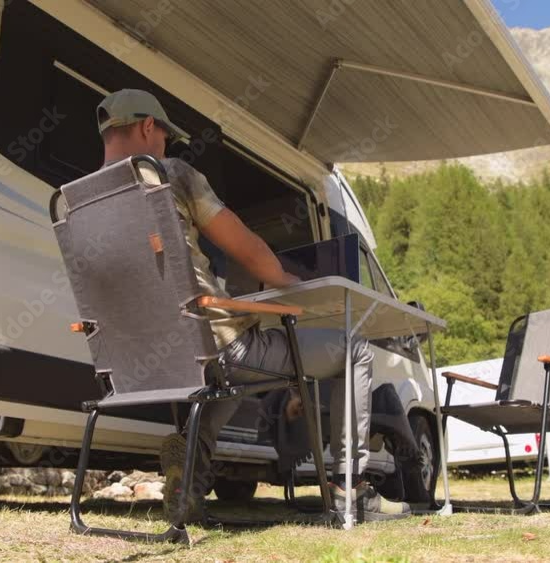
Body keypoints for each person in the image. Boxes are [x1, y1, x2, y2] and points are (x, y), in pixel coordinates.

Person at [96, 89, 411, 523]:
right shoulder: (171, 174)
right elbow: (248, 249)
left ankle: (189, 475)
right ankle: (350, 488)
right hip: (217, 344)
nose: (165, 147)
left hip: (138, 356)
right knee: (353, 350)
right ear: (149, 126)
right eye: (165, 138)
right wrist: (288, 280)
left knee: (226, 376)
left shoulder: (82, 200)